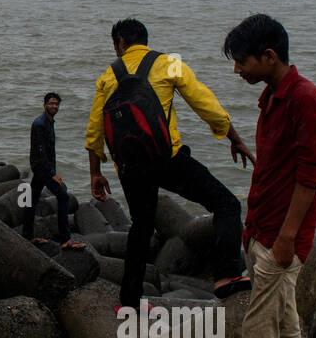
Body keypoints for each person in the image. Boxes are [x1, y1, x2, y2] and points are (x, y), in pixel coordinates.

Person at [197, 15, 316, 338]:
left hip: (280, 237)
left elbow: (311, 175)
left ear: (269, 56)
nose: (237, 70)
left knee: (257, 336)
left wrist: (286, 239)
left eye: (241, 61)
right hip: (264, 230)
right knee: (287, 328)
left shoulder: (306, 100)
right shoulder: (272, 97)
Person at [85, 19, 255, 311]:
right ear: (144, 40)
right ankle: (226, 274)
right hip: (168, 159)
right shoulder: (169, 64)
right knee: (226, 205)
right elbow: (205, 103)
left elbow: (95, 131)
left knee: (141, 226)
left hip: (130, 168)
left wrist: (96, 173)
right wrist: (233, 137)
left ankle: (130, 302)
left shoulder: (107, 77)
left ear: (121, 43)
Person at [22, 92, 86, 250]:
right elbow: (41, 152)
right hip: (43, 168)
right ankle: (66, 239)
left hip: (41, 168)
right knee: (63, 196)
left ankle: (27, 236)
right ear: (44, 105)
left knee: (32, 200)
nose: (54, 106)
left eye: (57, 104)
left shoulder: (48, 122)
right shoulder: (40, 124)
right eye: (51, 103)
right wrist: (52, 174)